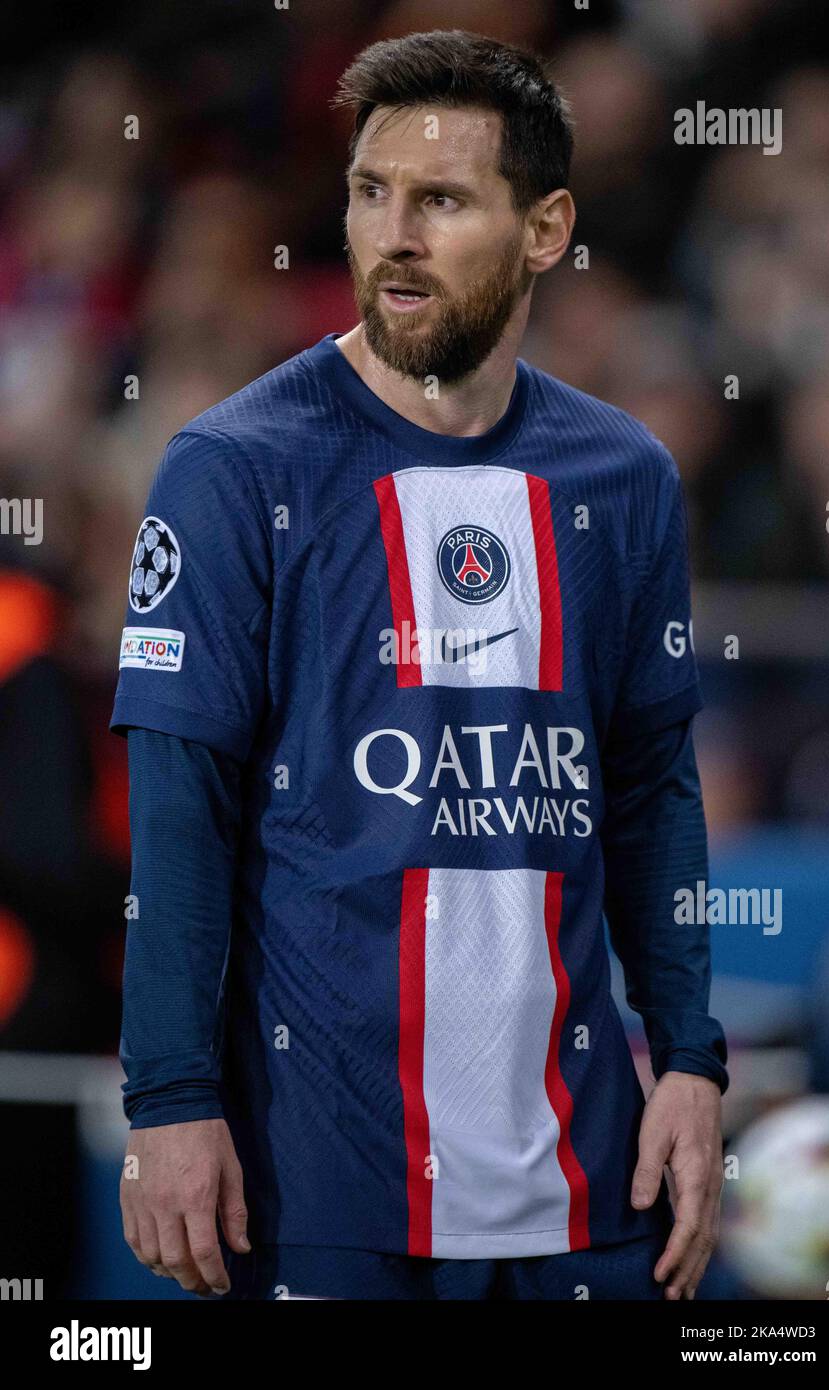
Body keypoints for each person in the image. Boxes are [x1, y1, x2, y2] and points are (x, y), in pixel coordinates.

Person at [113, 29, 727, 1301]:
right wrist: (169, 1099)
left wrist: (688, 1057)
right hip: (318, 1183)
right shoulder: (234, 471)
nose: (392, 233)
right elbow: (179, 818)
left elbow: (651, 788)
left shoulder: (620, 478)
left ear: (545, 228)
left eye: (440, 200)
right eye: (369, 192)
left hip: (585, 1175)